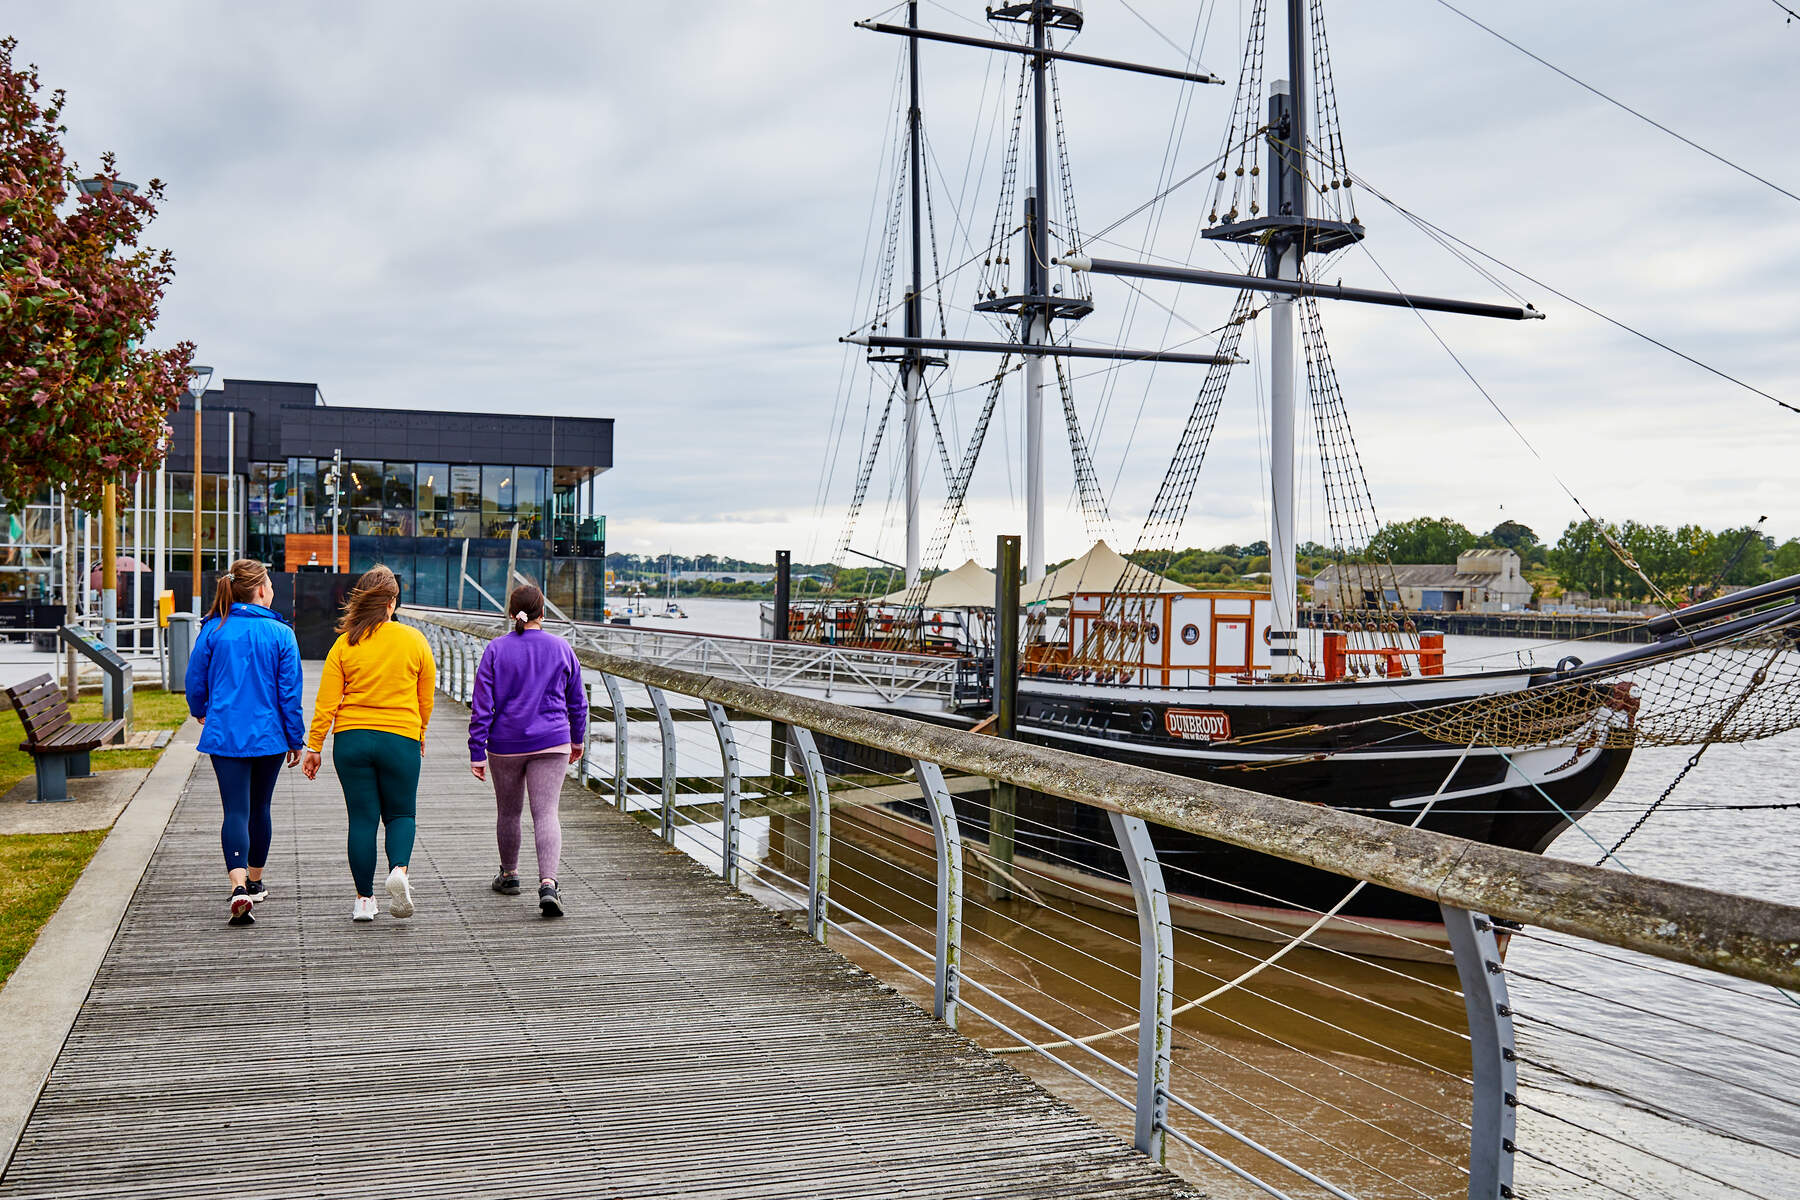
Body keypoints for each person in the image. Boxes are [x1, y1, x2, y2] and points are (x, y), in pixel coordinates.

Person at [301, 565, 436, 923]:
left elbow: (326, 701)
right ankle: (399, 872)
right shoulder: (415, 641)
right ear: (392, 602)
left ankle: (364, 900)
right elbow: (426, 699)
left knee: (362, 820)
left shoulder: (345, 643)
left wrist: (314, 746)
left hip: (352, 740)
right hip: (400, 738)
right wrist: (420, 732)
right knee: (401, 814)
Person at [186, 559, 305, 926]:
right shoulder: (281, 634)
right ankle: (255, 883)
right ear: (260, 590)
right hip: (269, 737)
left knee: (234, 810)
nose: (272, 590)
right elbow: (290, 694)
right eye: (269, 584)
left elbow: (194, 678)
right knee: (260, 808)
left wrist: (200, 708)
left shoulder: (213, 629)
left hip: (225, 735)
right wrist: (296, 737)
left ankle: (236, 886)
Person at [468, 584, 586, 917]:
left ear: (510, 612)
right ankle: (548, 883)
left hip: (505, 743)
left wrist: (477, 751)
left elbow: (482, 706)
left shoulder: (496, 649)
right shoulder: (562, 647)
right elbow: (578, 702)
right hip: (552, 741)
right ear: (543, 613)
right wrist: (577, 740)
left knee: (508, 812)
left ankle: (509, 875)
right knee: (546, 813)